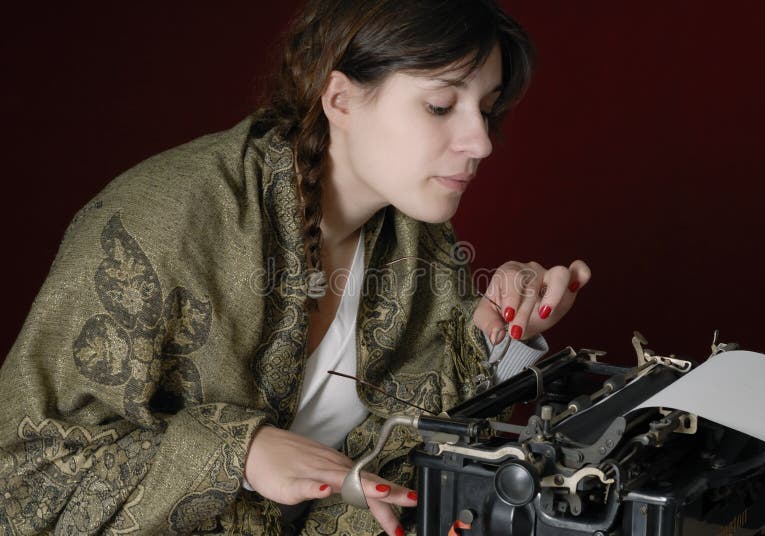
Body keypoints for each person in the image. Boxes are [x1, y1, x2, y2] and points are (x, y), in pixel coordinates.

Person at [0, 1, 590, 534]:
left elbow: (414, 444)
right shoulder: (159, 220)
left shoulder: (418, 238)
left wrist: (495, 335)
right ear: (340, 100)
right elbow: (24, 476)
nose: (480, 142)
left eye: (485, 110)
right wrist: (243, 453)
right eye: (441, 104)